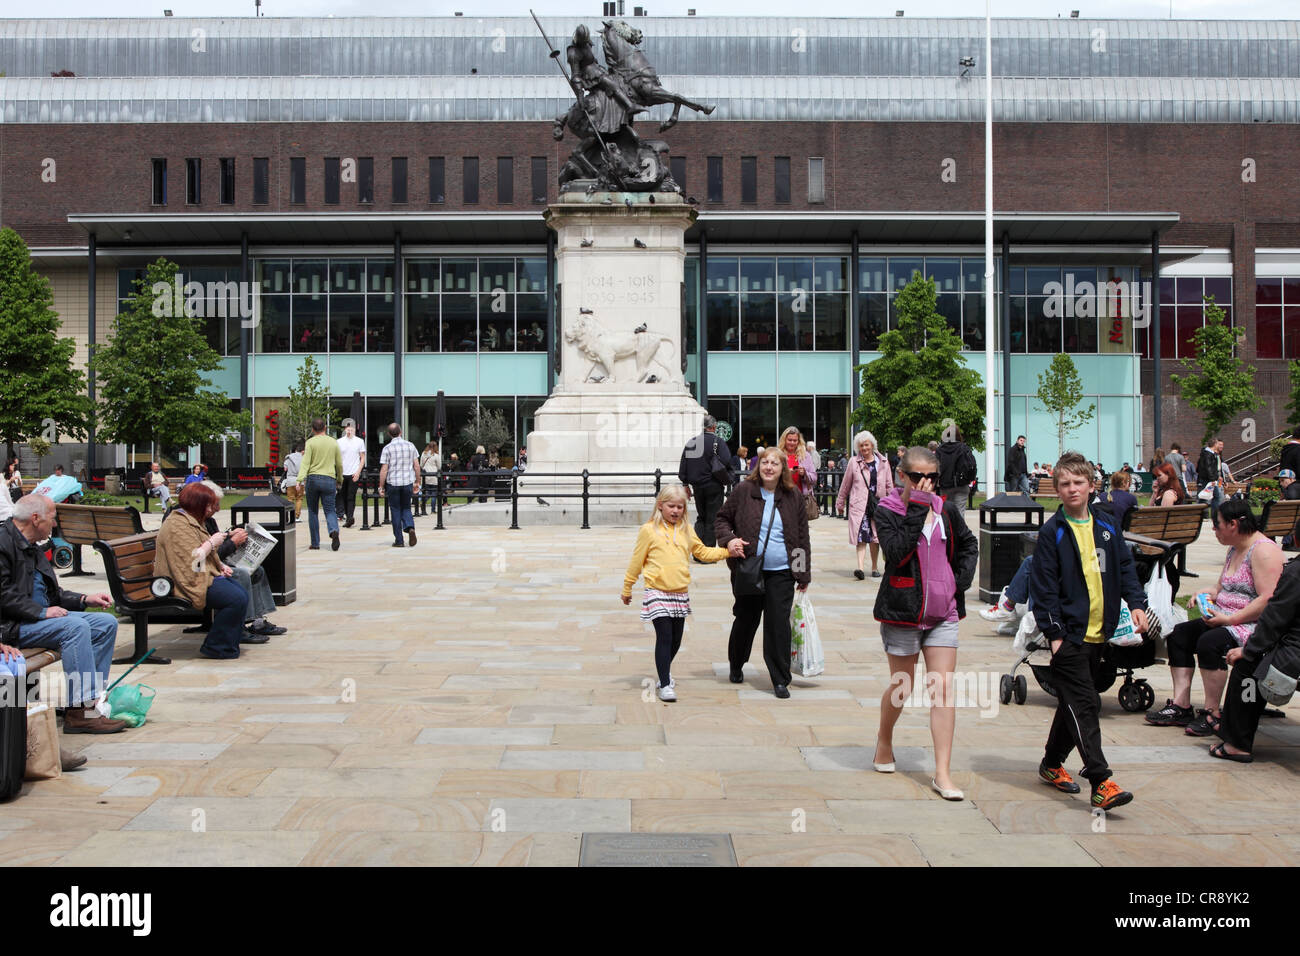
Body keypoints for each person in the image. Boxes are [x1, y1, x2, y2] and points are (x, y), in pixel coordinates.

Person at [1029, 452, 1151, 811]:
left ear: (1090, 485)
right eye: (1064, 484)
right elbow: (1044, 587)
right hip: (1069, 635)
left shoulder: (1106, 523)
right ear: (1056, 489)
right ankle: (1101, 781)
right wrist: (1054, 636)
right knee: (1085, 704)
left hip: (1100, 632)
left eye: (1077, 483)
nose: (1071, 489)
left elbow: (1125, 567)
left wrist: (1138, 603)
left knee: (1074, 702)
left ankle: (1052, 764)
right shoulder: (1053, 532)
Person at [871, 445, 979, 800]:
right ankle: (884, 739)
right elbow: (897, 554)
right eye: (916, 476)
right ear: (901, 475)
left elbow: (968, 545)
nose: (925, 483)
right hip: (903, 611)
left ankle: (943, 773)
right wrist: (917, 507)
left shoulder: (946, 509)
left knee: (943, 690)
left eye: (931, 477)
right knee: (903, 685)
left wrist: (958, 582)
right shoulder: (887, 509)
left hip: (942, 614)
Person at [1145, 499, 1282, 735]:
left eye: (1217, 525)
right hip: (1224, 617)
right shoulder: (1235, 548)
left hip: (1249, 624)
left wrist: (1230, 620)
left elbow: (1268, 599)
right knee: (1179, 635)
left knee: (1209, 643)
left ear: (1233, 524)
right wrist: (1204, 593)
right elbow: (1222, 587)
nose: (1214, 530)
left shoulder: (1263, 551)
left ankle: (1212, 712)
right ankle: (1181, 704)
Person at [0, 494, 125, 733]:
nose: (55, 524)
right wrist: (41, 612)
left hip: (35, 620)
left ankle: (91, 704)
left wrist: (83, 599)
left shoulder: (32, 546)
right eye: (52, 518)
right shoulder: (3, 544)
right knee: (74, 628)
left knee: (106, 624)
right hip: (13, 626)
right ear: (35, 518)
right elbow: (3, 595)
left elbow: (53, 594)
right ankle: (80, 711)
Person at [622, 485, 738, 701]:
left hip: (679, 592)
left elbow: (702, 551)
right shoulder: (648, 530)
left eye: (680, 507)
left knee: (676, 640)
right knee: (664, 637)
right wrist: (628, 586)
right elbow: (636, 561)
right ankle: (665, 684)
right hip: (657, 591)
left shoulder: (686, 529)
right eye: (671, 506)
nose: (675, 511)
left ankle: (663, 672)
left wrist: (726, 552)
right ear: (660, 506)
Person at [714, 447, 812, 699]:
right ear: (759, 466)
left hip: (782, 572)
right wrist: (730, 540)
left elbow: (802, 538)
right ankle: (736, 664)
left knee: (778, 625)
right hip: (749, 570)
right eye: (765, 463)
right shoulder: (745, 491)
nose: (769, 467)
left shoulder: (793, 497)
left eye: (775, 464)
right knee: (746, 620)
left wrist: (802, 574)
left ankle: (780, 679)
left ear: (783, 469)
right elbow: (722, 519)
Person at [154, 483, 257, 660]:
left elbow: (198, 559)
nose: (212, 509)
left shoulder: (190, 520)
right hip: (180, 582)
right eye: (208, 504)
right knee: (235, 598)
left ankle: (222, 643)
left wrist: (220, 566)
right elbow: (191, 561)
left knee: (238, 591)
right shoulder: (176, 525)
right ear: (197, 504)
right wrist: (212, 543)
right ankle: (217, 646)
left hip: (197, 575)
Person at [1215, 553, 1300, 762]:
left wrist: (1249, 649)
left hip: (1296, 653)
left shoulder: (1296, 571)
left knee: (1248, 668)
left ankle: (1237, 743)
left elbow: (1275, 619)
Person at [186, 481, 286, 638]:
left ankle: (258, 621)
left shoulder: (208, 521)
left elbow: (215, 549)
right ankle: (240, 625)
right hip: (201, 570)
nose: (217, 509)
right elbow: (204, 556)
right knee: (241, 574)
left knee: (257, 570)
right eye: (214, 505)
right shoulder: (190, 523)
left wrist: (230, 536)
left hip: (211, 564)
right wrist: (232, 543)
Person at [836, 430, 895, 580]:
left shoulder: (883, 462)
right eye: (861, 446)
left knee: (875, 537)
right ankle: (860, 567)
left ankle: (874, 567)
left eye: (866, 445)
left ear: (872, 445)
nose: (864, 448)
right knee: (862, 536)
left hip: (878, 505)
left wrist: (894, 504)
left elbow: (889, 485)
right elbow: (846, 484)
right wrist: (840, 502)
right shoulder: (853, 462)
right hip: (859, 505)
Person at [677, 415, 733, 549]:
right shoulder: (718, 442)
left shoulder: (692, 442)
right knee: (712, 518)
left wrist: (685, 485)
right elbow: (726, 461)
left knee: (701, 516)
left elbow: (683, 466)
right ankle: (707, 550)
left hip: (697, 487)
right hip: (714, 485)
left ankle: (697, 548)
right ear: (714, 427)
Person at [296, 417, 343, 551]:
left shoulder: (310, 442)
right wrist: (340, 478)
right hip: (329, 478)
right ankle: (334, 530)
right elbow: (339, 464)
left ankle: (315, 543)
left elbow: (306, 463)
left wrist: (300, 479)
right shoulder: (333, 442)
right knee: (330, 509)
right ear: (325, 428)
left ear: (312, 429)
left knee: (312, 511)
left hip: (313, 478)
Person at [378, 423, 419, 548]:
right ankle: (410, 527)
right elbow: (416, 465)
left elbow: (384, 469)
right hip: (407, 482)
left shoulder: (387, 448)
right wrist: (418, 482)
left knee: (395, 510)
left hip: (393, 483)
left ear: (389, 434)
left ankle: (399, 540)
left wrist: (381, 486)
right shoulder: (410, 446)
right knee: (406, 507)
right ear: (400, 432)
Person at [936, 427, 977, 520]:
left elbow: (936, 467)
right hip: (961, 484)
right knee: (959, 512)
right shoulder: (964, 448)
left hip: (945, 485)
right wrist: (970, 479)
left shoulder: (940, 450)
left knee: (946, 512)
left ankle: (948, 532)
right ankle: (959, 532)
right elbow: (971, 465)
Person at [336, 418, 367, 529]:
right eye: (348, 429)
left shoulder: (359, 441)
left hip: (354, 472)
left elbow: (362, 458)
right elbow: (337, 458)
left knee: (351, 496)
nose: (349, 431)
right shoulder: (339, 442)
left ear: (354, 429)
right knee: (343, 495)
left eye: (351, 429)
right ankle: (347, 516)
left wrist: (358, 472)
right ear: (345, 429)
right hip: (343, 473)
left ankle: (350, 517)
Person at [778, 425, 818, 510]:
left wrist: (804, 474)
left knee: (799, 523)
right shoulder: (778, 454)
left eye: (795, 440)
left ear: (799, 441)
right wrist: (785, 472)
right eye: (789, 440)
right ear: (784, 440)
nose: (792, 443)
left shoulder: (805, 455)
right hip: (781, 497)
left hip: (801, 498)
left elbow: (814, 478)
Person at [1198, 438, 1224, 515]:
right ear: (1215, 444)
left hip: (1209, 479)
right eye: (1217, 444)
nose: (1218, 445)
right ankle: (1212, 514)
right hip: (1209, 480)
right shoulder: (1208, 454)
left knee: (1206, 497)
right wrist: (1213, 479)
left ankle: (1205, 514)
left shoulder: (1209, 453)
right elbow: (1208, 467)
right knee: (1213, 497)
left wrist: (1217, 476)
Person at [281, 441, 305, 518]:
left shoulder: (289, 457)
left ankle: (290, 515)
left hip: (290, 481)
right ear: (302, 451)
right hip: (300, 481)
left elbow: (285, 468)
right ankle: (297, 516)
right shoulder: (304, 458)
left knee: (290, 499)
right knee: (299, 499)